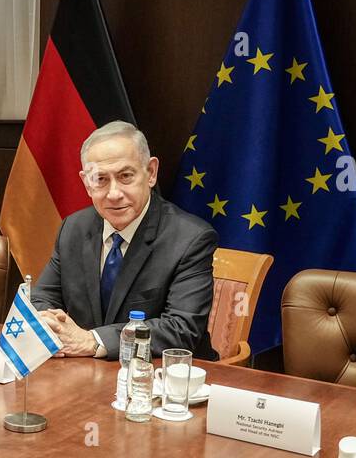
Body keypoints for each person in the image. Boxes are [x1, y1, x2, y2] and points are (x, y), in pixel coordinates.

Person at [30, 121, 218, 361]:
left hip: (162, 378)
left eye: (126, 176)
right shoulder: (73, 228)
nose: (114, 193)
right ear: (86, 182)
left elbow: (181, 328)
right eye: (100, 179)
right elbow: (41, 298)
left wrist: (92, 341)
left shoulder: (190, 238)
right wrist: (52, 326)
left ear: (150, 173)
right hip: (86, 374)